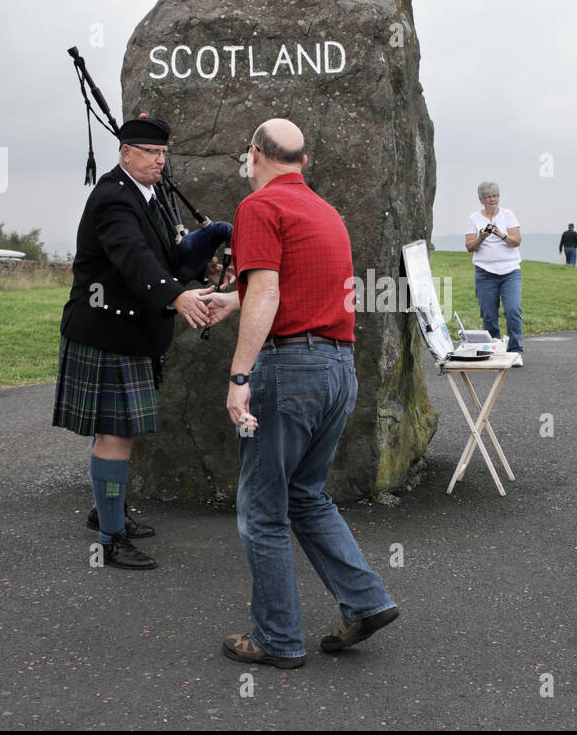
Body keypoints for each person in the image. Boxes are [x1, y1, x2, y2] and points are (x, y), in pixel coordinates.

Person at [213, 117, 399, 669]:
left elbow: (268, 293)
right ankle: (365, 600)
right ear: (303, 161)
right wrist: (232, 301)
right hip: (339, 369)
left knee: (263, 510)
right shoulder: (324, 211)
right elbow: (293, 289)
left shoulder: (259, 208)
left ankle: (276, 639)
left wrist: (240, 375)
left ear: (255, 153)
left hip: (288, 373)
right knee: (305, 496)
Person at [53, 116, 226, 569]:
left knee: (117, 434)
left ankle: (105, 510)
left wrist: (196, 270)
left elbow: (164, 256)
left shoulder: (149, 195)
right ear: (125, 152)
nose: (159, 161)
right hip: (106, 333)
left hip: (129, 335)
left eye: (164, 153)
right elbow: (134, 258)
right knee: (116, 435)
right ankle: (109, 539)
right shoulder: (113, 197)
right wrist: (176, 295)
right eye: (150, 152)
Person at [465, 181, 524, 364]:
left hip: (510, 272)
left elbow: (516, 241)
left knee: (513, 309)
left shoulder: (508, 215)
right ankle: (495, 349)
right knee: (489, 314)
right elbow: (469, 246)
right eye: (488, 197)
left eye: (495, 196)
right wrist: (481, 237)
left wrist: (501, 235)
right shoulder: (474, 219)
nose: (492, 199)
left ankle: (515, 351)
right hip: (485, 273)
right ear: (481, 199)